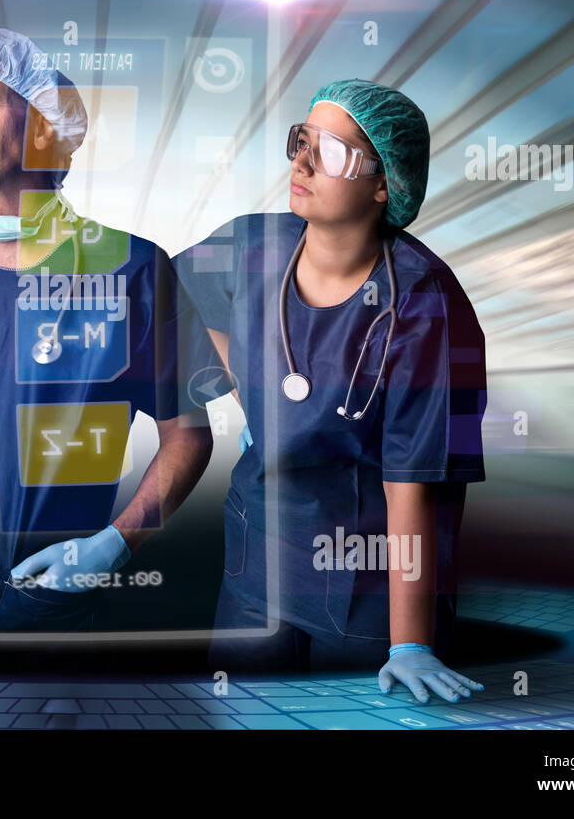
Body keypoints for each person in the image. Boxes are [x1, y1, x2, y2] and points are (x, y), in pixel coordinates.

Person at [0, 27, 225, 637]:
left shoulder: (128, 269)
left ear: (47, 127)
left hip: (48, 601)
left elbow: (188, 438)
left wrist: (114, 545)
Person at [176, 79, 488, 703]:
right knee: (238, 713)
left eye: (335, 151)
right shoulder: (249, 245)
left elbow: (411, 490)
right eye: (301, 140)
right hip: (258, 561)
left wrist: (409, 644)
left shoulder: (424, 307)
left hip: (372, 581)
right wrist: (252, 394)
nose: (304, 162)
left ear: (385, 185)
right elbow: (175, 288)